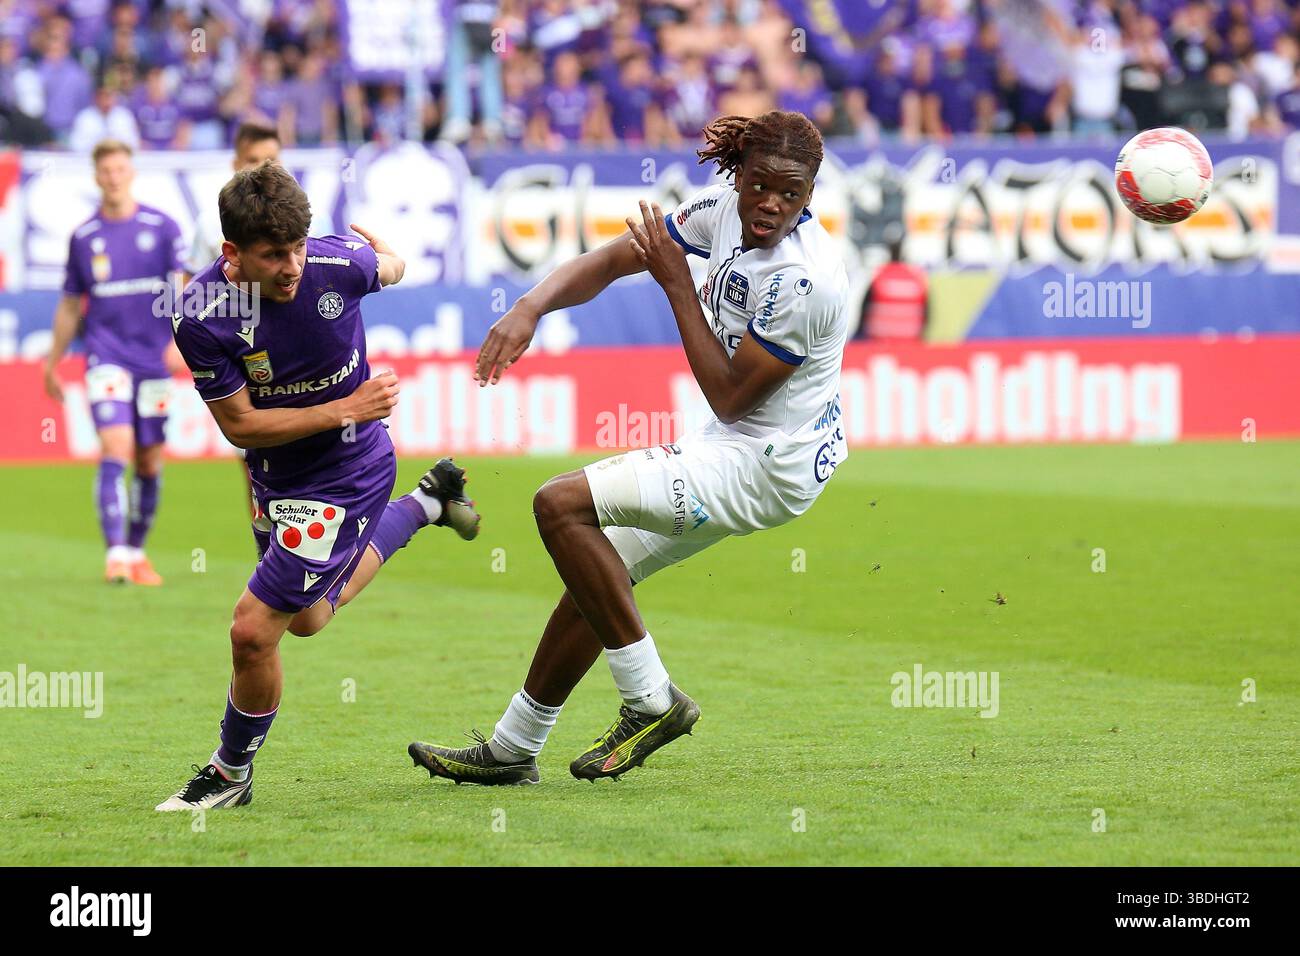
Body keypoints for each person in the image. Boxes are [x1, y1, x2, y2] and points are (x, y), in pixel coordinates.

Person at [409, 110, 849, 785]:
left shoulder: (807, 282)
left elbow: (731, 396)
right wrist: (531, 306)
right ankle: (513, 748)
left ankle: (652, 699)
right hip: (737, 443)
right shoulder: (719, 212)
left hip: (766, 463)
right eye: (760, 185)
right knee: (600, 573)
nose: (771, 205)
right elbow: (615, 260)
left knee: (559, 507)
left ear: (811, 195)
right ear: (739, 177)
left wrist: (677, 282)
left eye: (791, 195)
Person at [156, 162, 480, 810]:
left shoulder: (337, 264)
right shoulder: (199, 315)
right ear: (231, 254)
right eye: (274, 255)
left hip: (350, 469)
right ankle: (425, 503)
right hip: (276, 474)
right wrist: (343, 407)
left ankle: (229, 774)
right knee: (305, 620)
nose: (293, 266)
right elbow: (241, 423)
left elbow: (390, 265)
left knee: (253, 631)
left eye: (299, 247)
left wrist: (389, 254)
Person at [43, 140, 187, 586]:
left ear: (131, 172)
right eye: (105, 170)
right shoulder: (84, 237)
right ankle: (115, 555)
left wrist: (182, 342)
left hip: (154, 361)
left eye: (120, 168)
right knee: (116, 447)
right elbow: (70, 306)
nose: (113, 177)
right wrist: (52, 361)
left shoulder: (162, 228)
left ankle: (137, 552)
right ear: (96, 176)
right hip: (105, 357)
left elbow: (184, 292)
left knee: (148, 460)